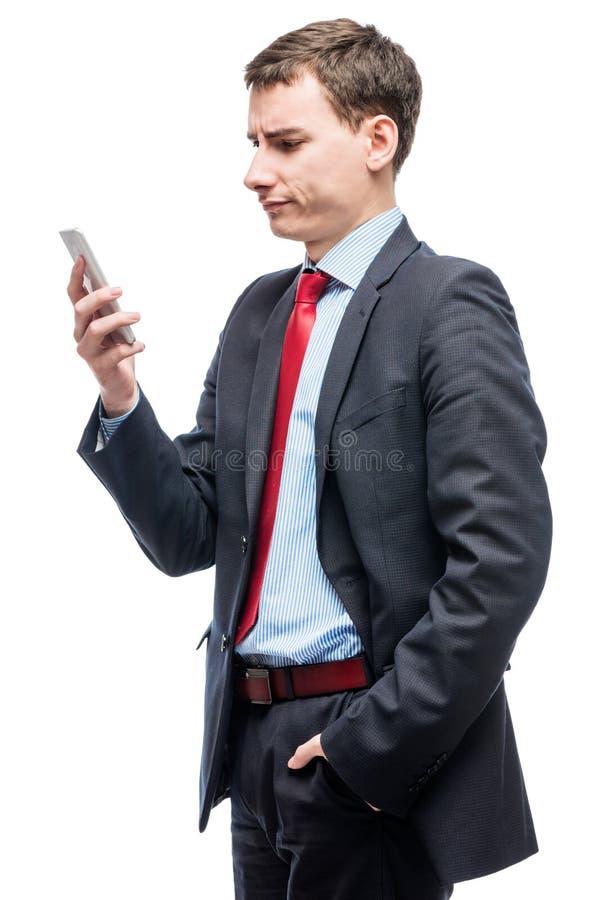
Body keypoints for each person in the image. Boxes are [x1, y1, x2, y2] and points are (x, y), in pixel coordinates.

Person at [68, 18, 553, 900]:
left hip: (360, 748)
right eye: (254, 143)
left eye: (285, 143)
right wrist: (119, 396)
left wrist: (368, 749)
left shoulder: (449, 304)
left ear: (377, 138)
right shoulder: (259, 312)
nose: (255, 172)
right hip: (248, 741)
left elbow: (502, 564)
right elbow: (188, 534)